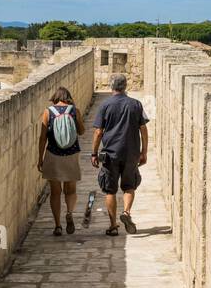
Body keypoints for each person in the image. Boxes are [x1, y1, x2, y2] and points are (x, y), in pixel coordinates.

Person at [91, 74, 149, 236]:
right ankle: (127, 213)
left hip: (110, 153)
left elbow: (98, 132)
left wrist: (94, 153)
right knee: (129, 186)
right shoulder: (135, 105)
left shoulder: (105, 105)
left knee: (110, 190)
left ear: (111, 87)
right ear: (125, 86)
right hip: (131, 153)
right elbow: (143, 129)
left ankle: (113, 226)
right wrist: (144, 152)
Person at [38, 86, 86, 237]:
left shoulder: (48, 112)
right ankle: (69, 213)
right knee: (70, 190)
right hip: (71, 155)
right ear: (68, 97)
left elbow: (43, 137)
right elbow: (82, 131)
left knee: (55, 192)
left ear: (55, 97)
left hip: (53, 154)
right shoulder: (74, 111)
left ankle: (58, 225)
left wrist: (40, 158)